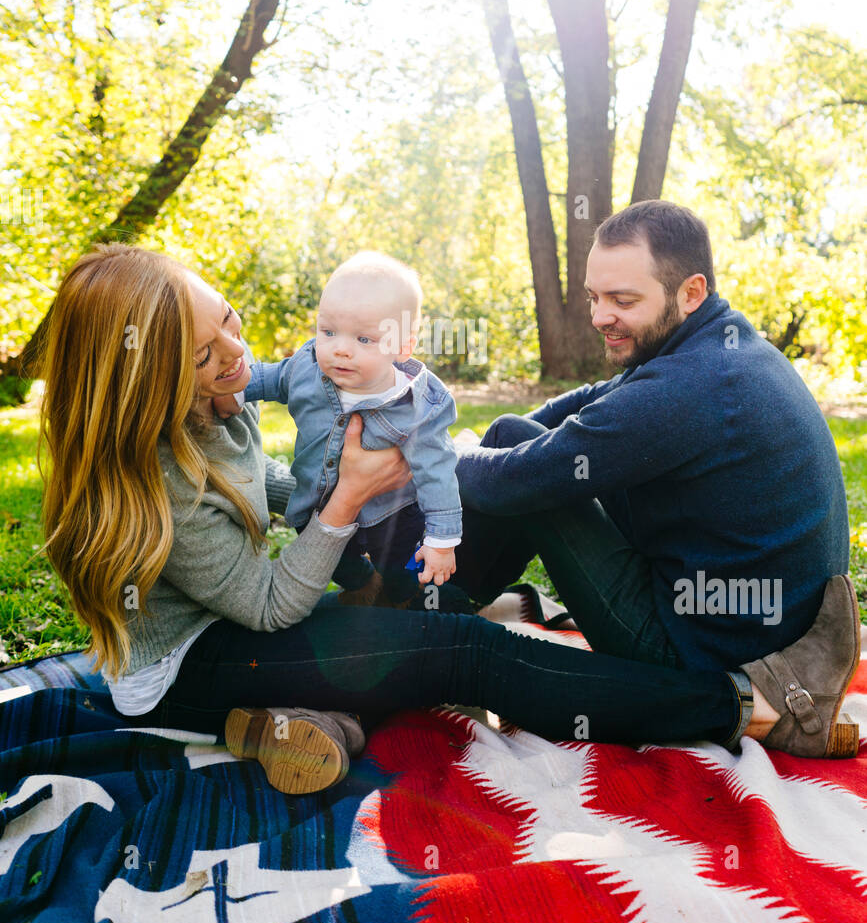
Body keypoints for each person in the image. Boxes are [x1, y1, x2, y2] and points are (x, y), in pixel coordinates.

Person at [37, 242, 858, 799]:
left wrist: (377, 494)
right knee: (463, 653)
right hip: (205, 664)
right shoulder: (152, 478)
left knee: (465, 524)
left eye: (230, 319)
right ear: (148, 383)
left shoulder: (215, 409)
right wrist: (352, 501)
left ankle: (323, 716)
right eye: (208, 349)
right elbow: (267, 607)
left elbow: (274, 488)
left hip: (257, 625)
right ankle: (751, 707)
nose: (236, 351)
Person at [452, 199, 860, 758]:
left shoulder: (695, 385)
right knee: (510, 434)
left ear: (690, 292)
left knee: (524, 475)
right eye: (595, 297)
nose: (599, 316)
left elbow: (511, 481)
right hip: (743, 622)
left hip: (709, 653)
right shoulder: (714, 345)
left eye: (623, 300)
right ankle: (437, 603)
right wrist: (488, 443)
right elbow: (594, 403)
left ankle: (424, 617)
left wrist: (443, 455)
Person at [227, 251, 462, 604]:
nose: (340, 350)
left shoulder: (418, 403)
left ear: (402, 346)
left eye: (363, 339)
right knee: (336, 565)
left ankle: (404, 598)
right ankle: (363, 583)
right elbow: (267, 377)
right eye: (329, 331)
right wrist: (231, 390)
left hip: (391, 514)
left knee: (400, 571)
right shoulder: (306, 368)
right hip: (318, 506)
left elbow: (437, 471)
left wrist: (441, 539)